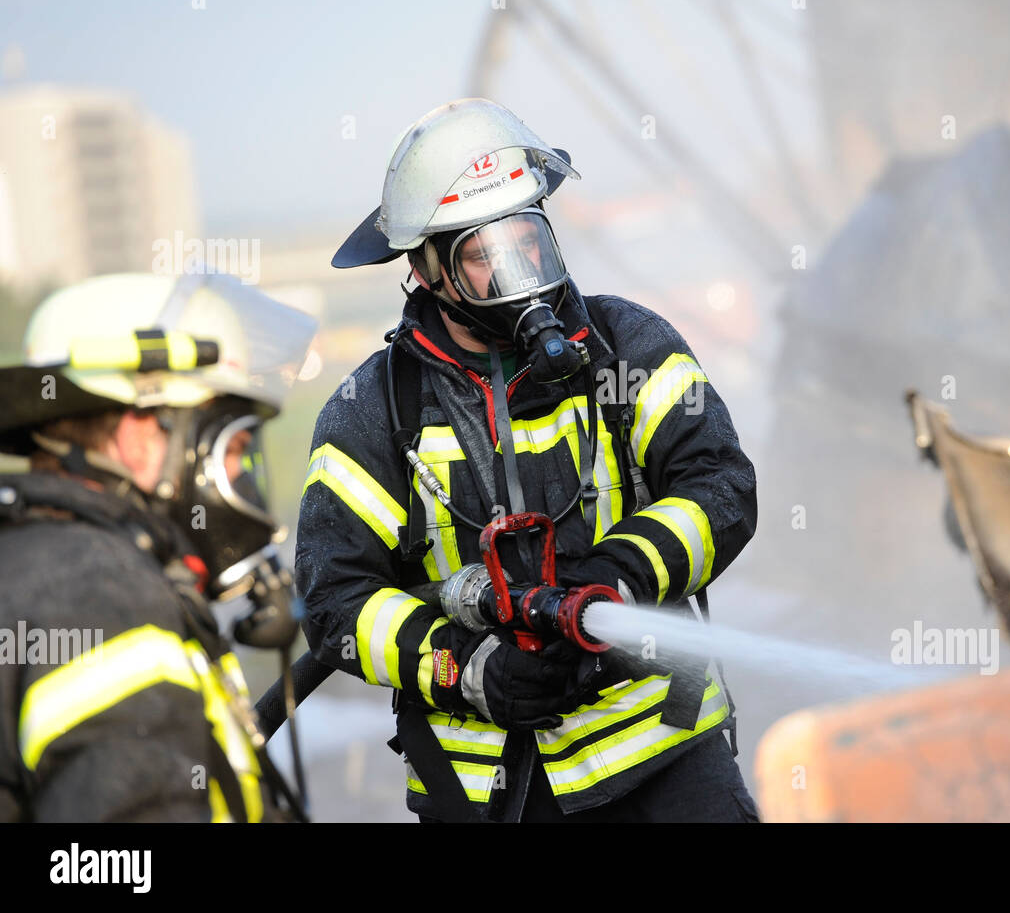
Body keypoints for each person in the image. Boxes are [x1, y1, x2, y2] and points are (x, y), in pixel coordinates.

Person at [297, 98, 760, 821]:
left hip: (666, 755)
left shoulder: (624, 345)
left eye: (530, 240)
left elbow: (722, 486)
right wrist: (468, 667)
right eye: (483, 255)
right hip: (491, 791)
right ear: (426, 270)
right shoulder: (371, 413)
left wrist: (620, 574)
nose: (520, 273)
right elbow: (336, 602)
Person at [0, 271, 317, 822]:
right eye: (235, 450)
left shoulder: (36, 563)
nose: (240, 478)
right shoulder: (98, 596)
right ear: (139, 433)